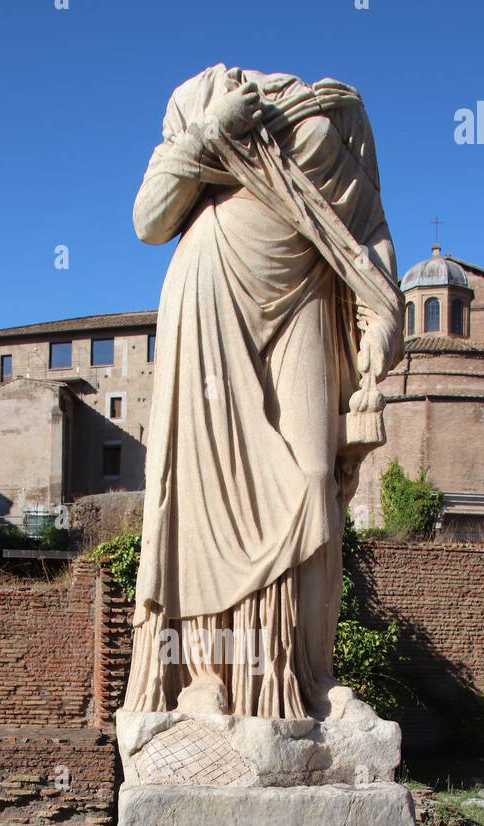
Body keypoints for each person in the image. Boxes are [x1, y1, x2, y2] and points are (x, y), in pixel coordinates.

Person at [124, 64, 403, 720]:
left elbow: (369, 234)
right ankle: (203, 677)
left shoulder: (339, 114)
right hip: (214, 284)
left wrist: (384, 317)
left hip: (305, 290)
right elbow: (148, 220)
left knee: (313, 479)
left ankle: (309, 676)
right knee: (205, 490)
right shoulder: (203, 97)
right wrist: (211, 133)